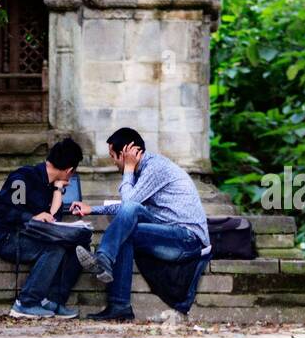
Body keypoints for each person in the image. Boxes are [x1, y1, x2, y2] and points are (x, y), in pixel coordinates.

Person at [70, 127, 210, 321]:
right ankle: (120, 307)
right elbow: (129, 209)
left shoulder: (155, 168)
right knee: (127, 229)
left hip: (187, 239)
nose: (112, 161)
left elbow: (129, 205)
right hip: (168, 230)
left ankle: (103, 258)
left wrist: (127, 169)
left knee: (130, 215)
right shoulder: (143, 171)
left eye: (113, 156)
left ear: (127, 153)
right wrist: (92, 209)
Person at [0, 137, 87, 319]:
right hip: (9, 237)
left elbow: (52, 218)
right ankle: (26, 303)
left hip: (32, 236)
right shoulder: (24, 178)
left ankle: (50, 300)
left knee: (78, 246)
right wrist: (31, 217)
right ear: (69, 170)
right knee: (55, 249)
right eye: (72, 174)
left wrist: (58, 190)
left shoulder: (51, 186)